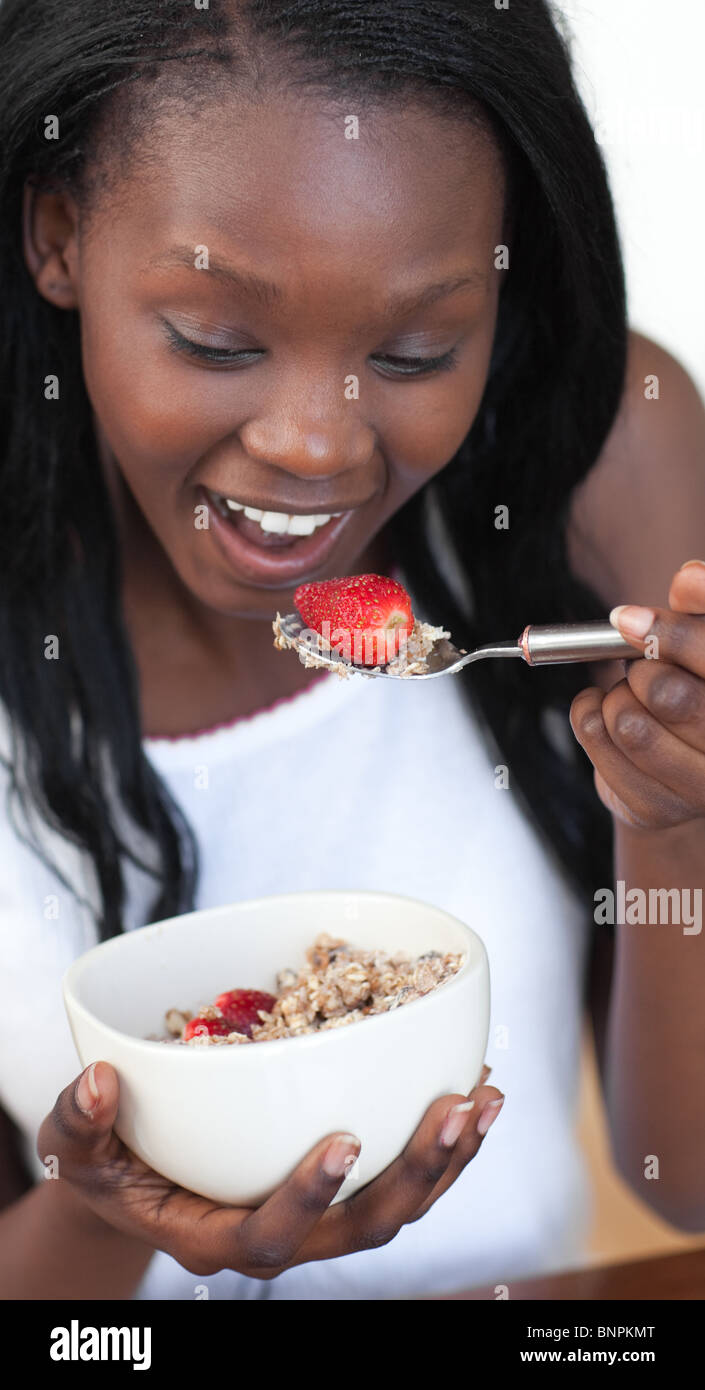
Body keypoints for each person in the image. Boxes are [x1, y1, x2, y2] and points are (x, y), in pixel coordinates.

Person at [0, 0, 703, 1301]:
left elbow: (685, 1174)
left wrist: (674, 820)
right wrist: (109, 1211)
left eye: (412, 351)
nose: (316, 447)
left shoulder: (604, 470)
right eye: (216, 340)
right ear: (58, 236)